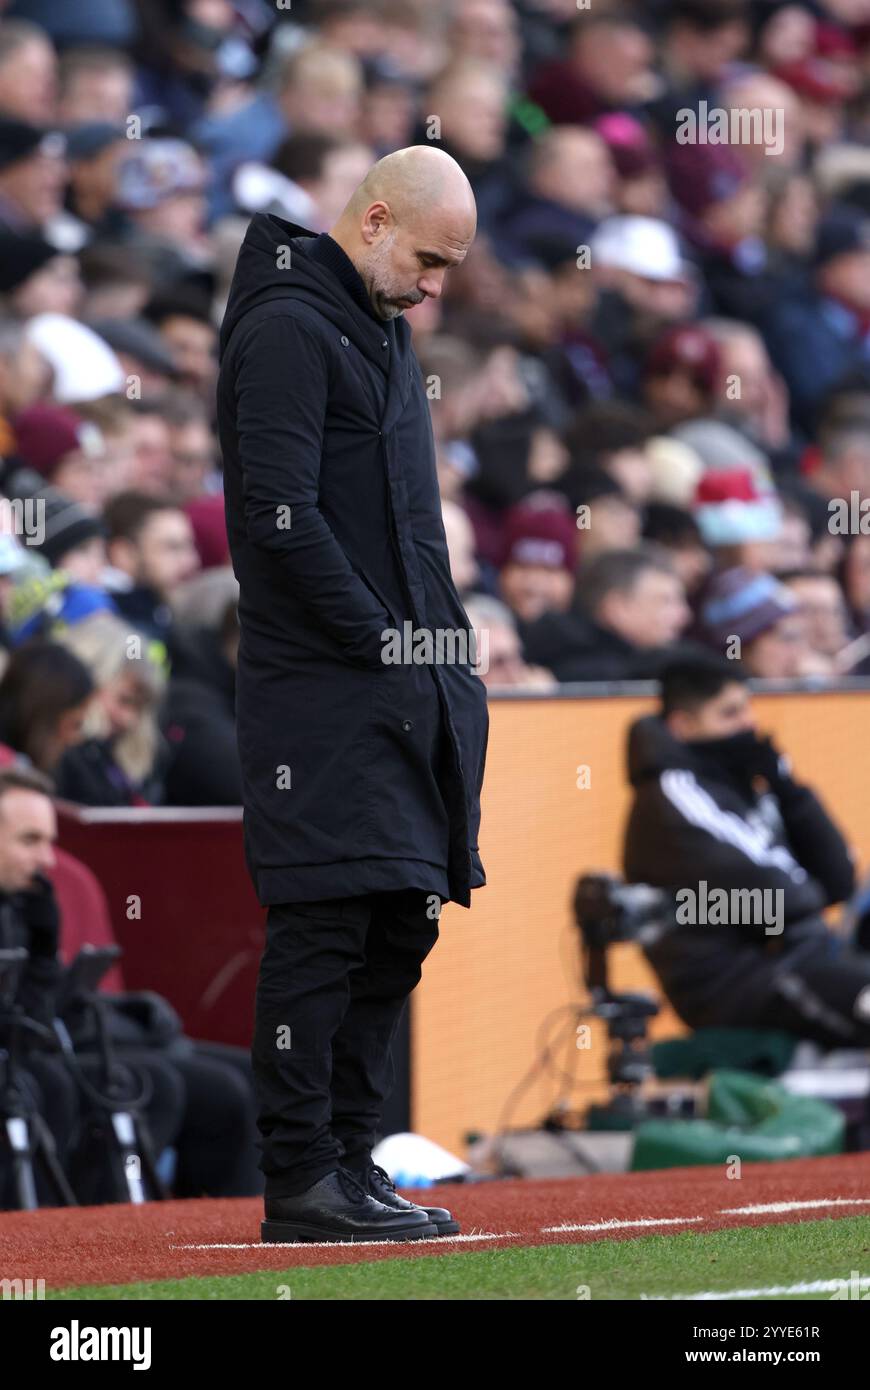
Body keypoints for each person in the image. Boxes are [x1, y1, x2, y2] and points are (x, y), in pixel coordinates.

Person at [217, 145, 489, 1243]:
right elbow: (275, 522)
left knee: (394, 924)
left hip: (401, 687)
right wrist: (390, 643)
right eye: (429, 258)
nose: (437, 285)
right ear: (375, 219)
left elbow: (408, 529)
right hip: (323, 695)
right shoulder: (286, 327)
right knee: (326, 923)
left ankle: (352, 1159)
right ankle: (300, 1179)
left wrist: (446, 656)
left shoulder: (384, 327)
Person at [622, 653, 870, 1049]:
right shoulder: (675, 794)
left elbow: (839, 879)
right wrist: (810, 893)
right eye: (730, 713)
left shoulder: (743, 782)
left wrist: (786, 787)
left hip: (798, 959)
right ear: (683, 725)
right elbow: (787, 898)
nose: (749, 724)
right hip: (734, 985)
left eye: (747, 709)